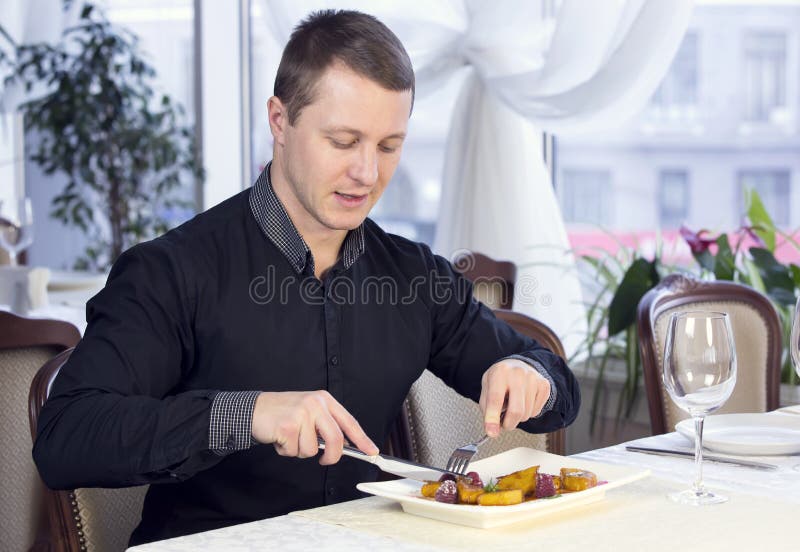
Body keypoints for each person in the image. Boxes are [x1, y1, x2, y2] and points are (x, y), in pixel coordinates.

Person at [33, 9, 580, 546]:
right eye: (342, 141)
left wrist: (528, 373)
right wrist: (246, 414)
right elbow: (66, 439)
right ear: (279, 121)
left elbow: (557, 384)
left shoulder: (413, 275)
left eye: (388, 146)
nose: (367, 172)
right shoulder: (170, 271)